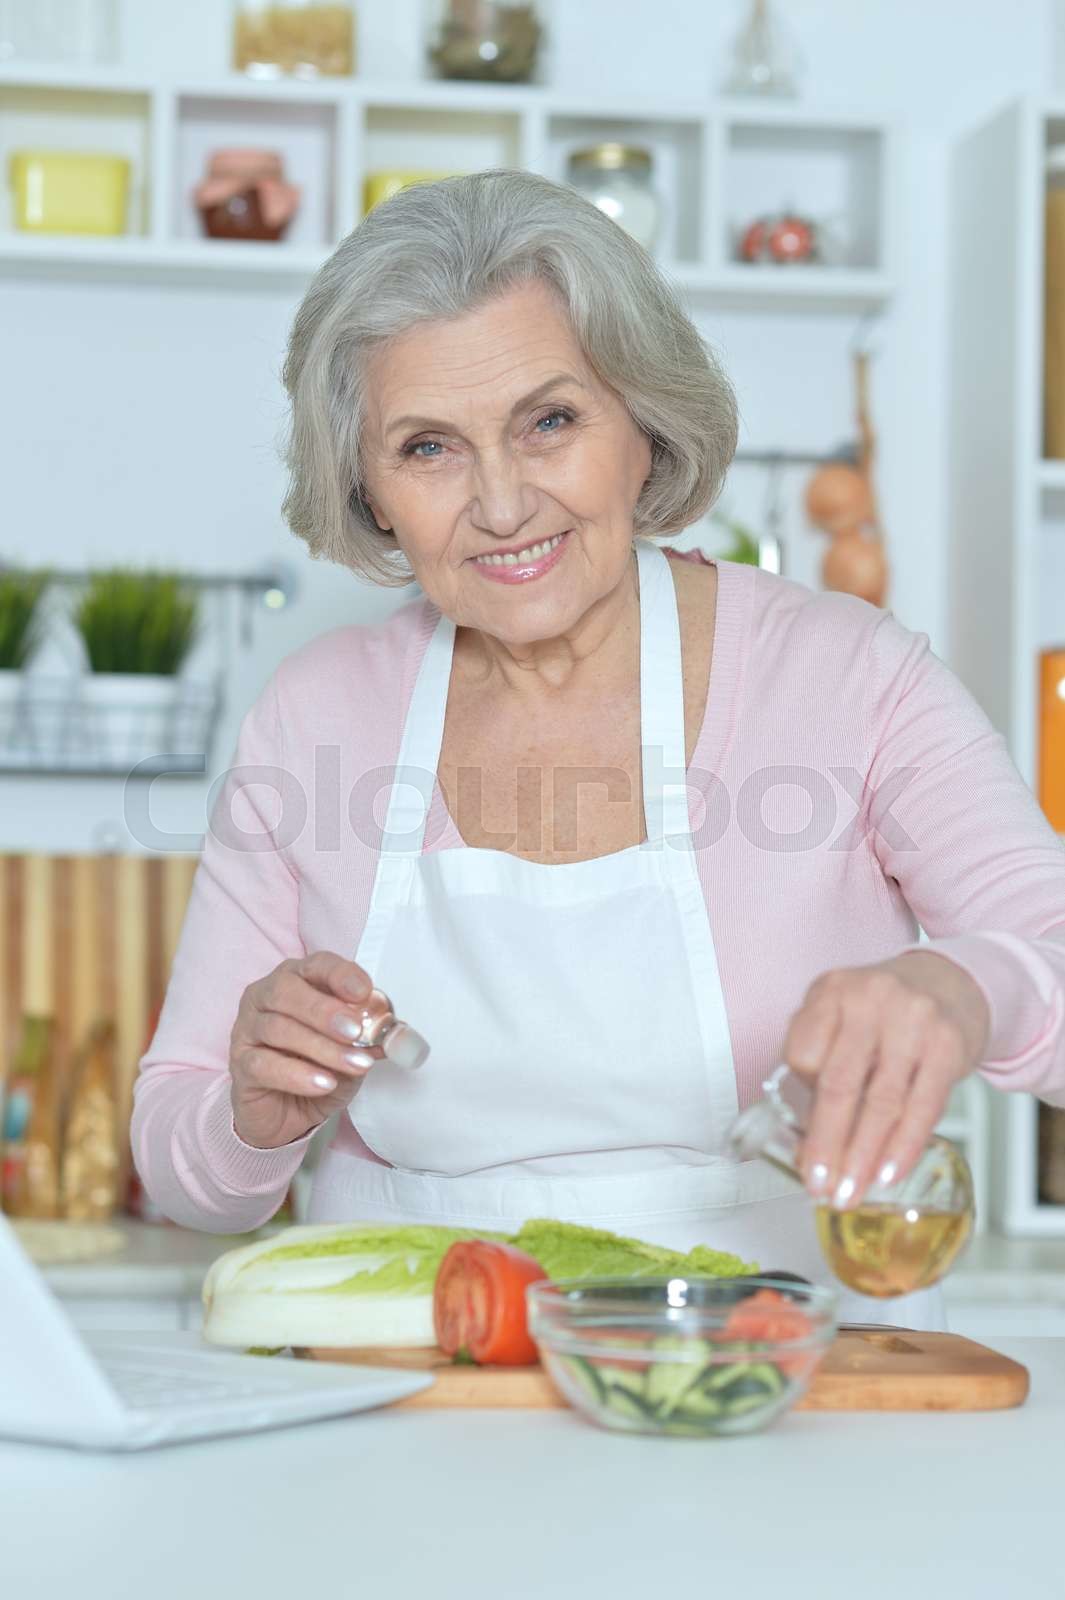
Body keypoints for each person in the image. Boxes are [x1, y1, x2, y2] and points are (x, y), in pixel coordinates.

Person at [132, 170, 1065, 1328]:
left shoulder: (847, 678)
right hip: (406, 1399)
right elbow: (184, 1172)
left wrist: (965, 984)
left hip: (774, 1399)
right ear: (370, 491)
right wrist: (246, 1112)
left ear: (642, 426)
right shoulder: (314, 715)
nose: (504, 502)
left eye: (551, 421)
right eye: (429, 448)